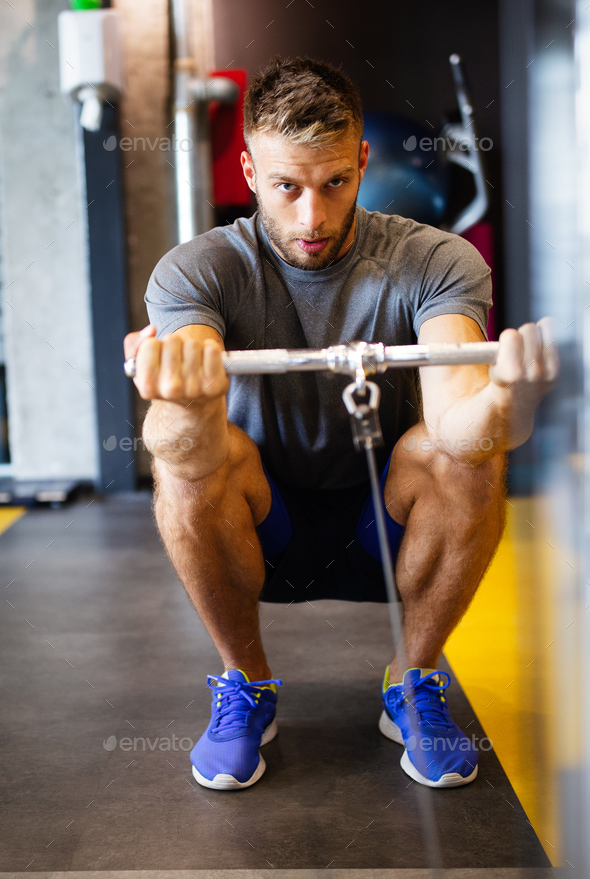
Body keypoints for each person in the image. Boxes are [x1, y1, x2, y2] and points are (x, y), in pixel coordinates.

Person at [124, 55, 557, 792]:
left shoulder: (435, 260)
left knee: (465, 457)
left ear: (362, 161)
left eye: (334, 184)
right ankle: (246, 684)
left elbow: (461, 426)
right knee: (192, 458)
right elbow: (181, 449)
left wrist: (512, 401)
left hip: (384, 525)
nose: (312, 217)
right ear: (251, 170)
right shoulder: (195, 272)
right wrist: (181, 405)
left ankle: (413, 677)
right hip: (264, 528)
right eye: (287, 187)